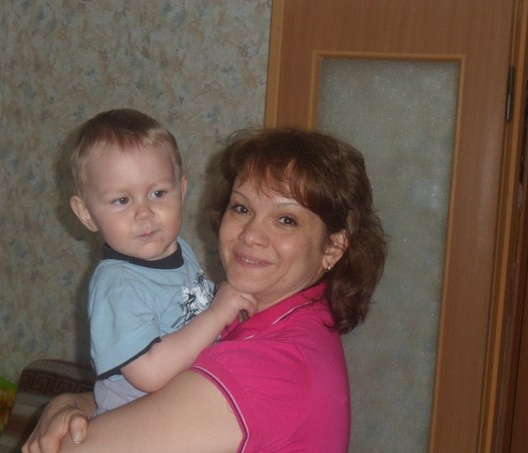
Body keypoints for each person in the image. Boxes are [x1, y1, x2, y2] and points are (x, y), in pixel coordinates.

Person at [23, 127, 387, 452]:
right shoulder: (260, 314)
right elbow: (154, 399)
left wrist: (68, 428)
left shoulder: (276, 366)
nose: (251, 235)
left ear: (332, 248)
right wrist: (68, 405)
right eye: (242, 208)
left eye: (286, 219)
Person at [68, 109, 257, 414]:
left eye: (157, 193)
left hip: (182, 409)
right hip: (135, 427)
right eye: (122, 200)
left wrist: (227, 302)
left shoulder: (177, 248)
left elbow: (191, 305)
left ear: (181, 192)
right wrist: (218, 314)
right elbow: (150, 373)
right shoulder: (118, 285)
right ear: (87, 214)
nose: (144, 213)